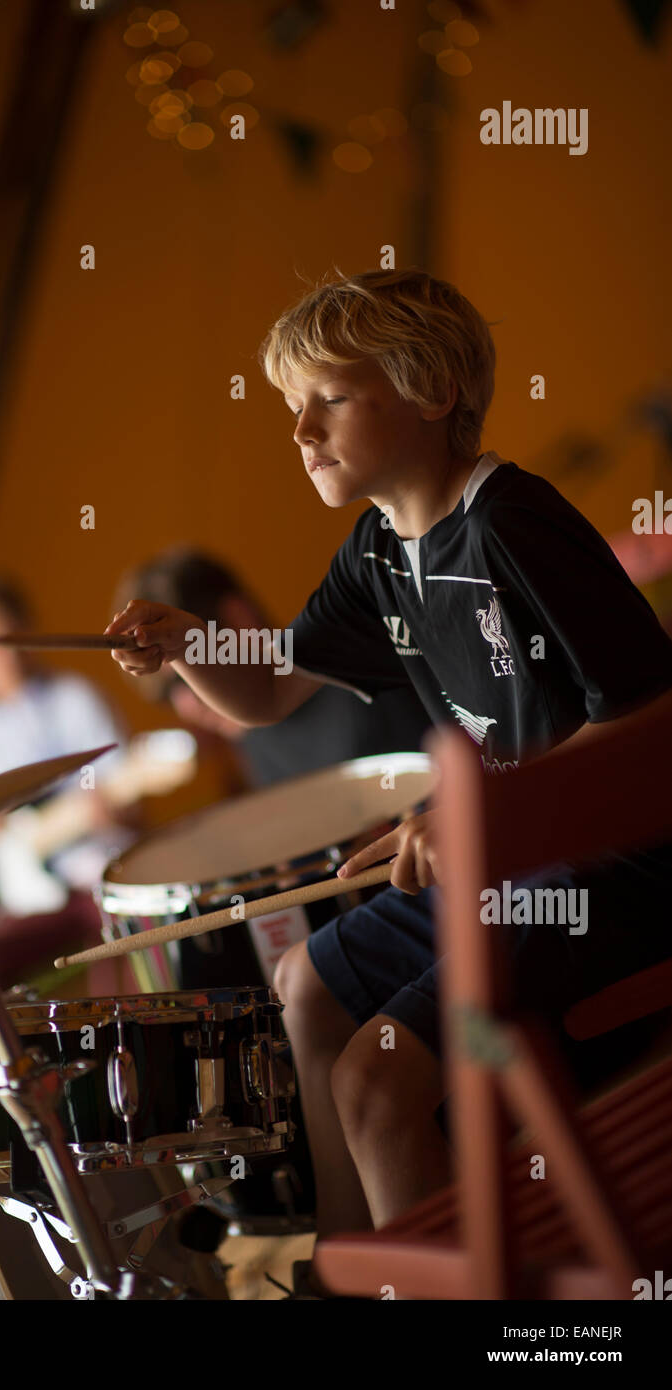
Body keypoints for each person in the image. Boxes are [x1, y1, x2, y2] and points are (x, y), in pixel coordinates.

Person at [103, 268, 672, 1291]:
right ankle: (355, 1267)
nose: (301, 431)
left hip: (609, 871)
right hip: (512, 858)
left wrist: (484, 816)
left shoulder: (510, 523)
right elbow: (272, 687)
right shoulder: (376, 550)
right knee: (304, 980)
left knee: (373, 1080)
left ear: (429, 392)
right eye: (292, 407)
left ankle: (435, 1283)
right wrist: (191, 646)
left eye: (327, 398)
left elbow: (653, 715)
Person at [0, 570, 139, 1004]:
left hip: (100, 880)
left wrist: (111, 811)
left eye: (10, 634)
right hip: (28, 897)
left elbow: (132, 803)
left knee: (135, 954)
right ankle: (24, 1066)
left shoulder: (75, 699)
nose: (4, 652)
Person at [113, 548, 431, 786]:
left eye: (184, 675)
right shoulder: (252, 740)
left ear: (240, 619)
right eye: (168, 698)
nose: (186, 707)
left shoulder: (359, 663)